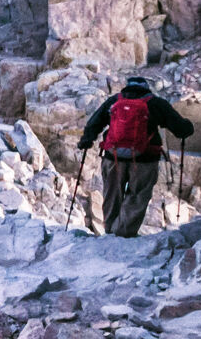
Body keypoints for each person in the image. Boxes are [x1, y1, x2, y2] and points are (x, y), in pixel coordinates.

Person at [76, 76, 194, 237]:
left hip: (113, 157)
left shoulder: (114, 101)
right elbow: (181, 130)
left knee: (112, 195)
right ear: (146, 88)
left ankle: (110, 231)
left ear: (127, 87)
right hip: (144, 159)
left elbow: (94, 123)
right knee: (137, 196)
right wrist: (188, 126)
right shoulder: (156, 103)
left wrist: (86, 140)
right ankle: (123, 233)